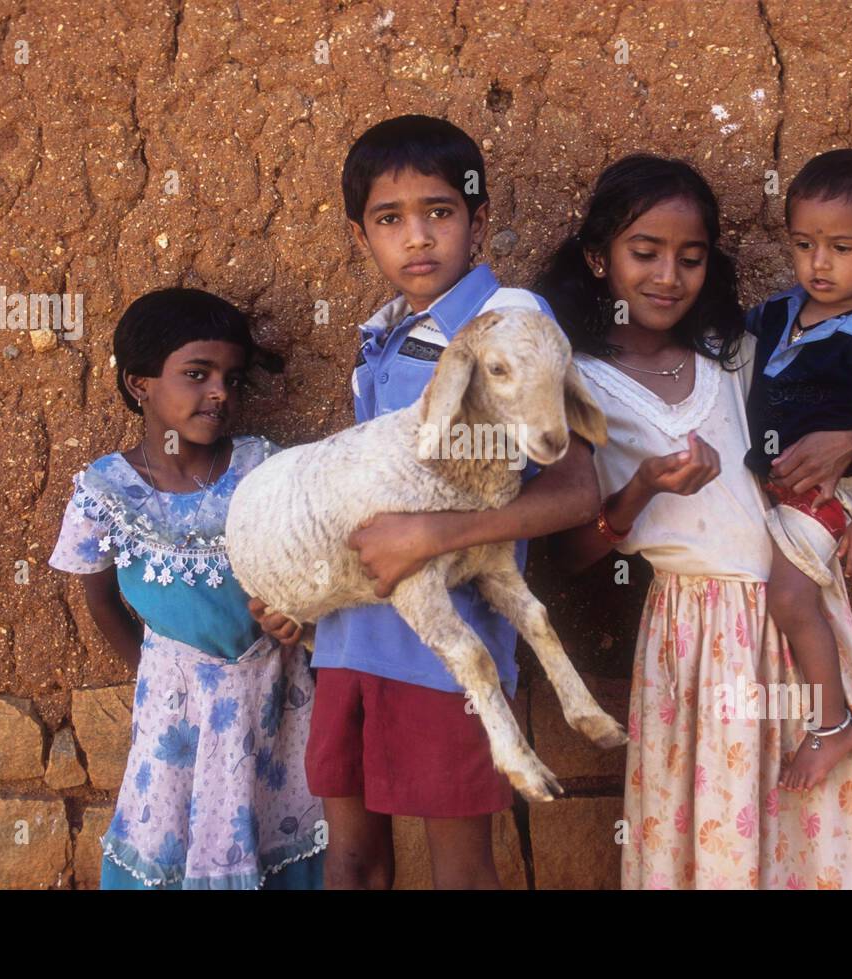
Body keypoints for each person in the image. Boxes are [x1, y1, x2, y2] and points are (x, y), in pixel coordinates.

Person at [250, 114, 602, 889]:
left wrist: (429, 537)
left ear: (477, 222)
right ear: (359, 236)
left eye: (439, 213)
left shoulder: (512, 321)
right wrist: (298, 595)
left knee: (458, 866)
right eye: (390, 220)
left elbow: (578, 488)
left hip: (452, 656)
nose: (417, 238)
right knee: (350, 857)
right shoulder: (378, 340)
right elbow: (364, 505)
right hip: (347, 638)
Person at [541, 154, 852, 888]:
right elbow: (570, 549)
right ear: (596, 258)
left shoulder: (736, 352)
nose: (668, 275)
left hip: (796, 604)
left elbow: (833, 404)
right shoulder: (574, 381)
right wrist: (641, 487)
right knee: (713, 833)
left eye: (691, 257)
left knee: (813, 831)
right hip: (696, 637)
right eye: (644, 253)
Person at [48, 287, 324, 889]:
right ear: (140, 384)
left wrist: (296, 627)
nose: (219, 392)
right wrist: (158, 673)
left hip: (275, 695)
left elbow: (311, 577)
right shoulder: (106, 492)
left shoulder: (263, 472)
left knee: (280, 834)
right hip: (175, 712)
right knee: (170, 836)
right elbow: (100, 600)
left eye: (231, 376)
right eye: (196, 374)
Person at [743, 149, 852, 790]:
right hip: (765, 492)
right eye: (804, 244)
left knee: (790, 599)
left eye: (842, 247)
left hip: (821, 497)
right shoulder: (774, 315)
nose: (819, 264)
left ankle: (833, 725)